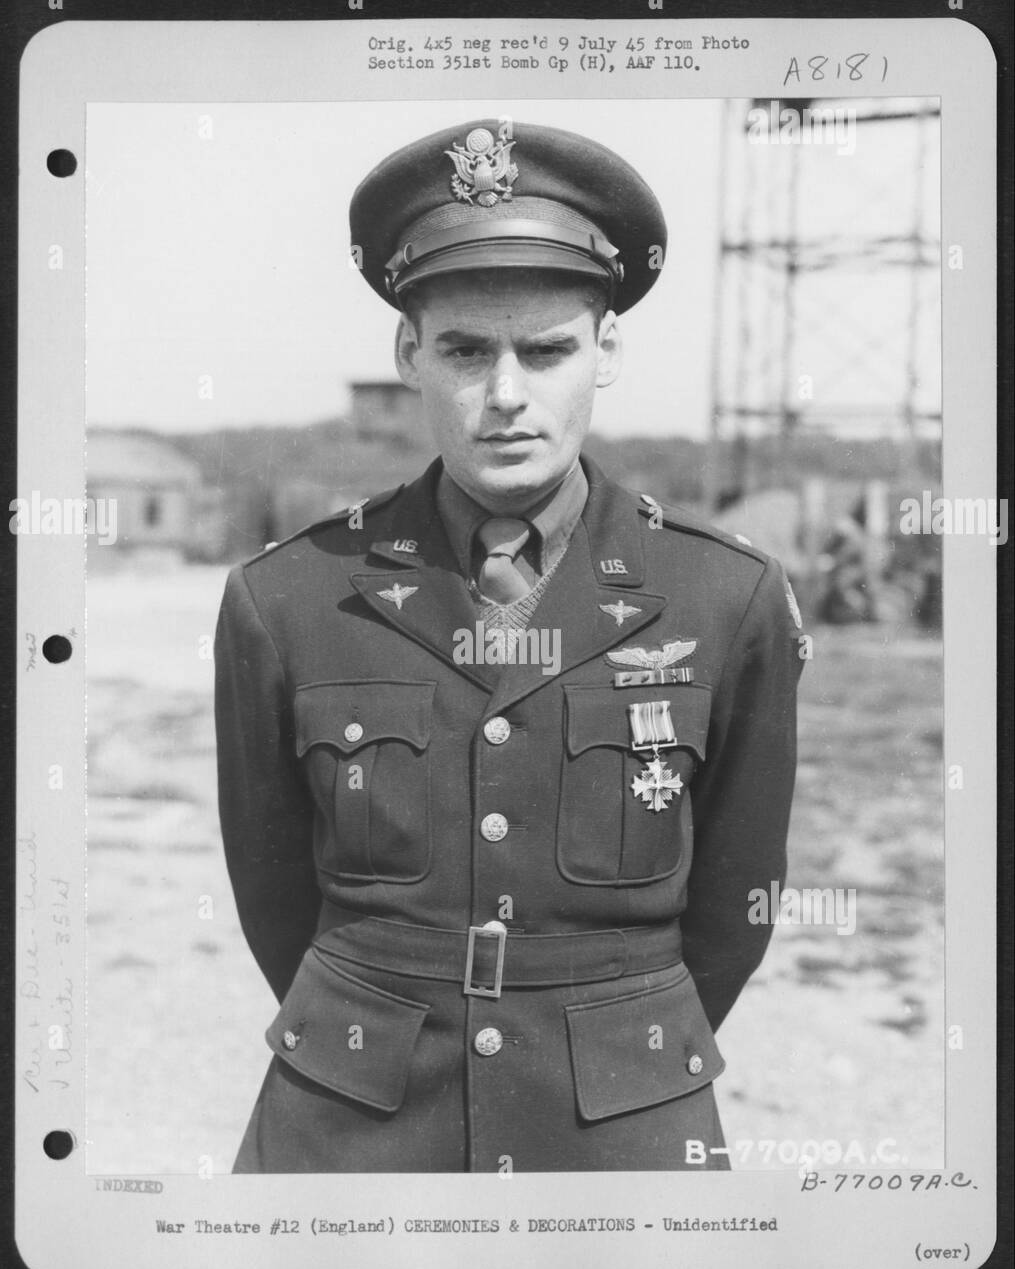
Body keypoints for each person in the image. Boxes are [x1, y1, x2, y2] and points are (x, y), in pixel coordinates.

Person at [214, 119, 804, 1173]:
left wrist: (611, 1033)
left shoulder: (724, 596)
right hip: (352, 1117)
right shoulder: (287, 598)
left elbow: (735, 906)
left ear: (605, 350)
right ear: (408, 352)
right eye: (463, 350)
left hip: (620, 1121)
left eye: (545, 350)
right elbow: (272, 894)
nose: (504, 397)